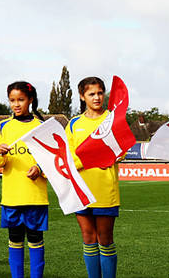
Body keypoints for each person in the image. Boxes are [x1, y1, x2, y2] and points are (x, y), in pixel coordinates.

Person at [0, 81, 47, 278]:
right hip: (12, 196)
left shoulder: (41, 127)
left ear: (30, 100)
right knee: (14, 240)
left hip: (35, 196)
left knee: (35, 239)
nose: (16, 104)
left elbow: (52, 161)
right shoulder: (3, 127)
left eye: (21, 100)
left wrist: (39, 168)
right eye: (12, 100)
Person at [66, 77, 120, 278]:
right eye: (91, 94)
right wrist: (94, 157)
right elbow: (68, 156)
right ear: (82, 96)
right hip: (80, 189)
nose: (97, 97)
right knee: (88, 238)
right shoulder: (74, 124)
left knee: (105, 240)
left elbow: (120, 151)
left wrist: (104, 155)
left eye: (100, 93)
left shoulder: (113, 119)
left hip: (105, 190)